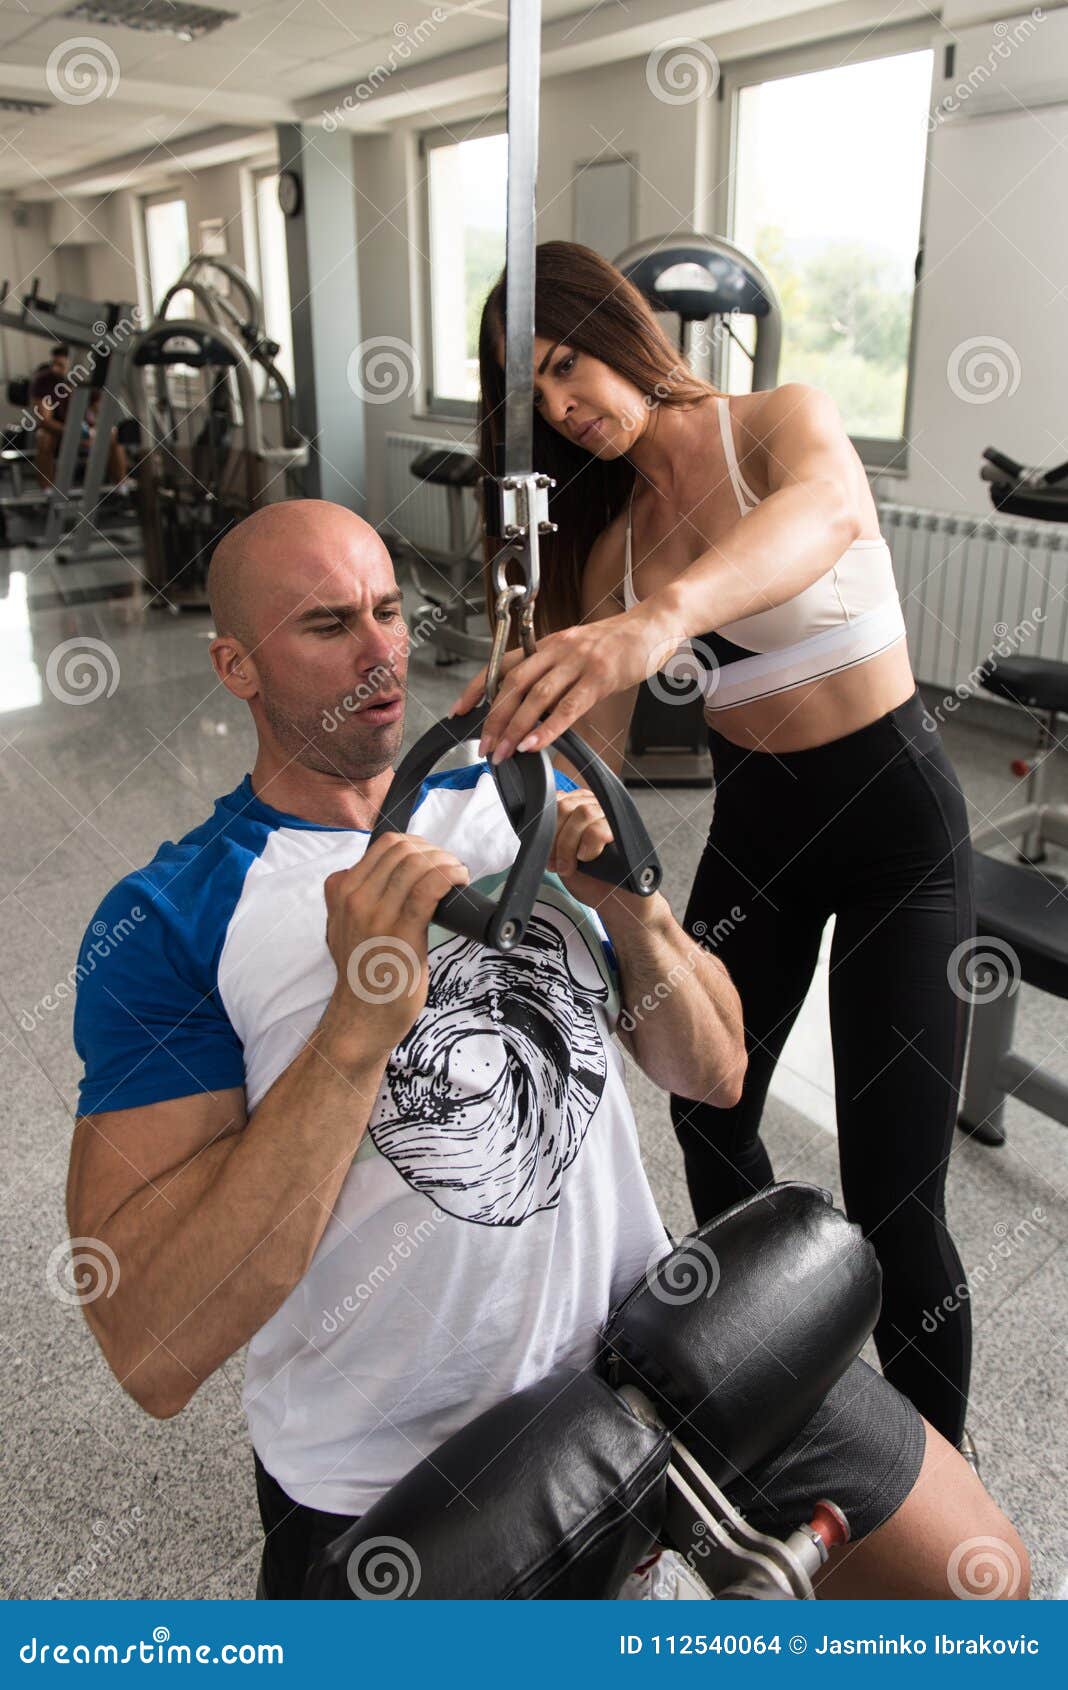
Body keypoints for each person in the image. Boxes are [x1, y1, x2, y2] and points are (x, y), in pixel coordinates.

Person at [65, 500, 1021, 1600]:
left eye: (389, 610)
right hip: (405, 1471)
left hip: (663, 1359)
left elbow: (715, 1071)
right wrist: (355, 1028)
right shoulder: (171, 917)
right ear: (234, 662)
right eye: (328, 626)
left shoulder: (516, 797)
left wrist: (634, 910)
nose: (382, 652)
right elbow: (151, 1344)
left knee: (980, 1579)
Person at [449, 240, 978, 1466]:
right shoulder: (608, 539)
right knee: (708, 1107)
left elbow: (827, 516)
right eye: (536, 393)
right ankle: (785, 1368)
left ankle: (934, 1492)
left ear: (624, 327)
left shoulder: (778, 425)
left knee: (901, 1195)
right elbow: (598, 747)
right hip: (763, 828)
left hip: (899, 831)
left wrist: (662, 617)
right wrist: (514, 753)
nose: (565, 405)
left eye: (570, 362)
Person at [29, 345, 129, 491]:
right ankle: (47, 489)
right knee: (43, 437)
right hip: (57, 430)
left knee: (113, 433)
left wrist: (93, 431)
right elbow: (45, 420)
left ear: (73, 364)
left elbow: (99, 412)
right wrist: (73, 433)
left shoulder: (86, 377)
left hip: (84, 428)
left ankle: (121, 484)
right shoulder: (44, 380)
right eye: (54, 364)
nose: (56, 369)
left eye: (61, 365)